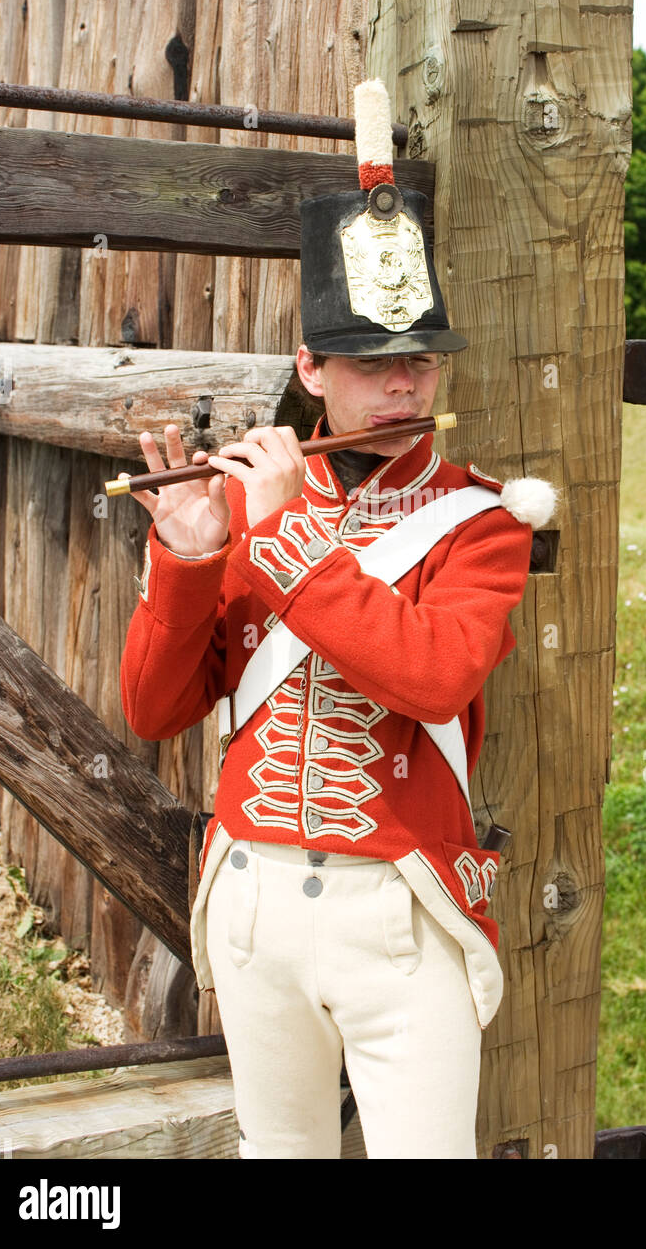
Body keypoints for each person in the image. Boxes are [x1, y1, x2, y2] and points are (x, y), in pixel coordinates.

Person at [119, 79, 557, 1159]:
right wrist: (186, 555)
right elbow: (153, 708)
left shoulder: (479, 522)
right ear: (311, 369)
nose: (403, 388)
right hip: (256, 903)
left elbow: (434, 675)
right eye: (371, 364)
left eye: (418, 362)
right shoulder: (255, 507)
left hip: (401, 914)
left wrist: (277, 543)